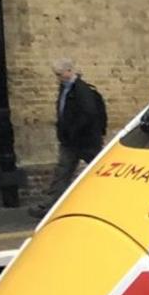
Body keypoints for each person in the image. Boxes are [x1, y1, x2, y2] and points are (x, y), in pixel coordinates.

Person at [28, 59, 107, 218]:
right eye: (56, 74)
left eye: (59, 74)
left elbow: (89, 114)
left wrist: (74, 130)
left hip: (85, 140)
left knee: (99, 170)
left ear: (69, 71)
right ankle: (50, 205)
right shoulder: (65, 89)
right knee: (62, 172)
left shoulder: (82, 90)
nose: (58, 78)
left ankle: (111, 199)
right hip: (71, 140)